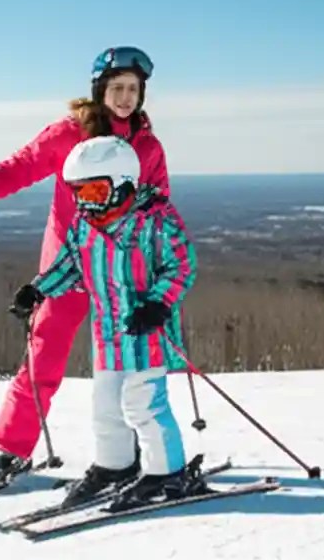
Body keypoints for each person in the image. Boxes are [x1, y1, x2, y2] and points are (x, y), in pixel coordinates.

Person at [0, 47, 172, 490]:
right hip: (66, 264)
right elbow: (24, 164)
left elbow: (161, 203)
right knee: (44, 354)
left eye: (133, 89)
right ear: (100, 91)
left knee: (127, 362)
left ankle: (125, 457)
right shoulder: (69, 133)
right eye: (117, 88)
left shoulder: (147, 146)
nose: (125, 97)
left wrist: (159, 269)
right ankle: (10, 451)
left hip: (122, 267)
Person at [10, 136, 202, 508]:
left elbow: (182, 264)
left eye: (96, 191)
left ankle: (167, 473)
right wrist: (38, 290)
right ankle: (115, 465)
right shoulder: (85, 226)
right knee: (105, 405)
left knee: (143, 403)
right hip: (108, 336)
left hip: (146, 331)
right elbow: (69, 265)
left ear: (123, 183)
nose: (86, 202)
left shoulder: (154, 220)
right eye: (79, 193)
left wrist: (158, 304)